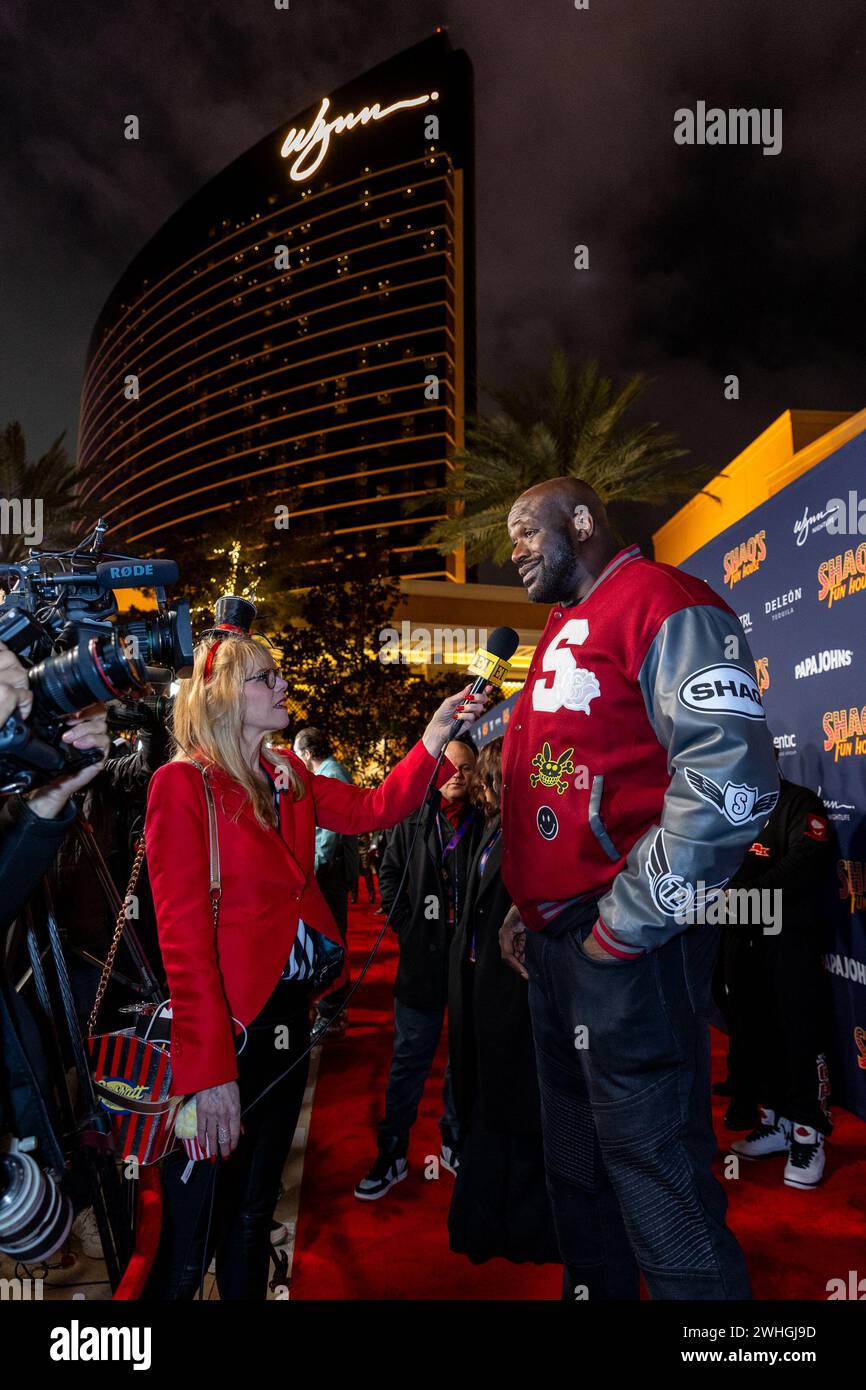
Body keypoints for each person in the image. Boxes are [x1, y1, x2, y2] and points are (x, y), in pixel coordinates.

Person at [143, 624, 490, 1299]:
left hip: (286, 1023)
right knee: (188, 1248)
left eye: (279, 674)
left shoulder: (290, 775)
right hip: (222, 1033)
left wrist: (432, 737)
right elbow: (181, 942)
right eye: (264, 678)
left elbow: (373, 809)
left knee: (251, 1216)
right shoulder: (181, 786)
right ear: (219, 694)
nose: (283, 686)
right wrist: (209, 1071)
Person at [498, 477, 779, 1301]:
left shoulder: (663, 600)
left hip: (625, 953)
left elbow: (730, 781)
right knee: (579, 1177)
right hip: (556, 951)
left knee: (660, 1186)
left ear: (581, 522)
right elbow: (555, 779)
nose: (511, 549)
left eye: (525, 530)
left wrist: (627, 920)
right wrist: (528, 906)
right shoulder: (560, 629)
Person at [447, 738, 559, 1266]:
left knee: (521, 1116)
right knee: (494, 1110)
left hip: (517, 1000)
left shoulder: (530, 836)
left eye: (484, 778)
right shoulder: (492, 831)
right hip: (485, 998)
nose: (477, 788)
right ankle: (492, 1225)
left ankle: (522, 1229)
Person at [354, 735, 479, 1200]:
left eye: (466, 769)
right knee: (410, 1060)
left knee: (464, 1056)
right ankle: (393, 1151)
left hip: (468, 961)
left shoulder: (484, 819)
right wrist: (408, 928)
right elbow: (389, 877)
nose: (458, 777)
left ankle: (454, 1138)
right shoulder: (413, 818)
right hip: (421, 960)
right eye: (450, 768)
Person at [725, 771, 835, 1187]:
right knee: (757, 1034)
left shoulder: (799, 802)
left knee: (800, 1035)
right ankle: (776, 1123)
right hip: (742, 939)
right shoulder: (731, 803)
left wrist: (744, 897)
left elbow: (804, 861)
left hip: (790, 941)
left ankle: (809, 1134)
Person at [292, 727, 359, 1038]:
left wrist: (313, 870)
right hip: (331, 871)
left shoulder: (329, 775)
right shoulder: (332, 770)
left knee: (331, 942)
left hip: (329, 874)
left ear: (307, 754)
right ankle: (333, 1010)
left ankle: (333, 1013)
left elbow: (329, 834)